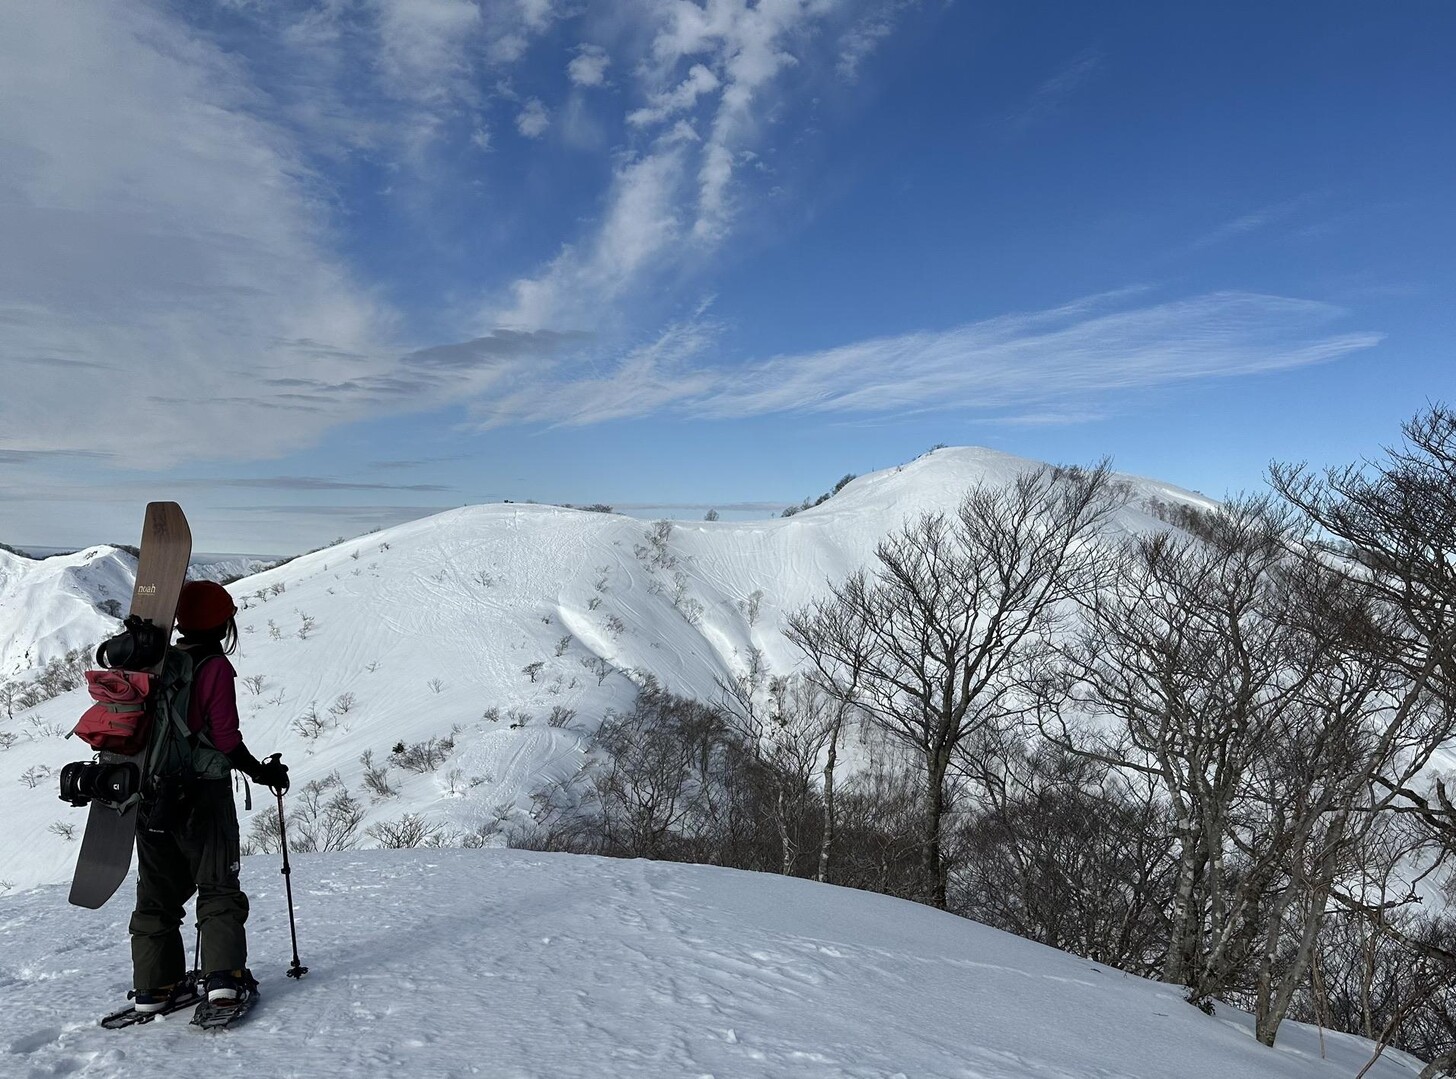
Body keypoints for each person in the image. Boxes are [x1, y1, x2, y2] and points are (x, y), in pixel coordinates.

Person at [128, 580, 289, 1013]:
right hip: (202, 793)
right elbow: (224, 738)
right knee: (217, 885)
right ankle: (224, 981)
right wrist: (261, 772)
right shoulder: (213, 666)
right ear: (221, 623)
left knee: (156, 895)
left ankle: (153, 990)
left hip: (149, 793)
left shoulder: (157, 661)